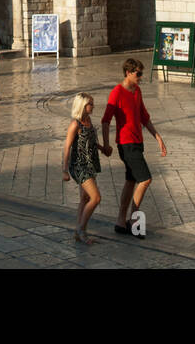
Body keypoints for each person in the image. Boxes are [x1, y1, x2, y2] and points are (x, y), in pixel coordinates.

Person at [101, 58, 167, 238]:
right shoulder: (117, 92)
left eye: (141, 73)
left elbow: (144, 117)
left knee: (131, 181)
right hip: (126, 144)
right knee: (145, 179)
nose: (140, 77)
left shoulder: (137, 91)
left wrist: (158, 137)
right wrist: (106, 144)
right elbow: (106, 120)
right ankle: (133, 220)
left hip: (137, 143)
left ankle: (120, 222)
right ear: (128, 72)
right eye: (138, 73)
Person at [62, 92, 110, 245]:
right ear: (83, 106)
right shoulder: (75, 124)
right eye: (91, 104)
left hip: (90, 164)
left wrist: (103, 149)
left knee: (85, 198)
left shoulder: (88, 120)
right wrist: (64, 170)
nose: (93, 106)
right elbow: (67, 147)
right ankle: (80, 230)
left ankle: (79, 231)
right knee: (96, 198)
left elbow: (91, 142)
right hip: (79, 166)